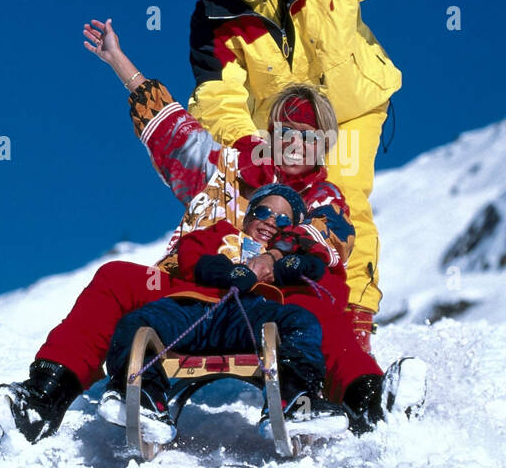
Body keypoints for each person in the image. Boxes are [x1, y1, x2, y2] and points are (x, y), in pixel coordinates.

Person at [0, 21, 421, 443]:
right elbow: (174, 135)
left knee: (325, 301)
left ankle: (368, 400)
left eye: (308, 137)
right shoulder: (226, 168)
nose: (294, 144)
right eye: (286, 132)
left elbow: (332, 239)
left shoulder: (323, 196)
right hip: (193, 290)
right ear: (271, 133)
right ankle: (43, 399)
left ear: (324, 145)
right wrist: (120, 63)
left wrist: (272, 258)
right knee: (115, 279)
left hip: (276, 299)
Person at [187, 0, 506, 351]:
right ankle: (287, 317)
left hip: (351, 110)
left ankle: (354, 322)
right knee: (272, 214)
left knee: (342, 201)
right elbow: (216, 96)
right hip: (281, 132)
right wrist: (247, 146)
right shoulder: (213, 20)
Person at [98, 187, 343, 444]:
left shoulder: (278, 255)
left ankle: (294, 400)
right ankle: (143, 397)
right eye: (264, 212)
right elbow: (190, 254)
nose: (271, 221)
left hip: (247, 316)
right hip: (193, 308)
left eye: (283, 220)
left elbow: (314, 269)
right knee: (136, 322)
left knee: (300, 322)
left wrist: (296, 264)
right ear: (248, 216)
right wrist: (227, 272)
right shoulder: (221, 232)